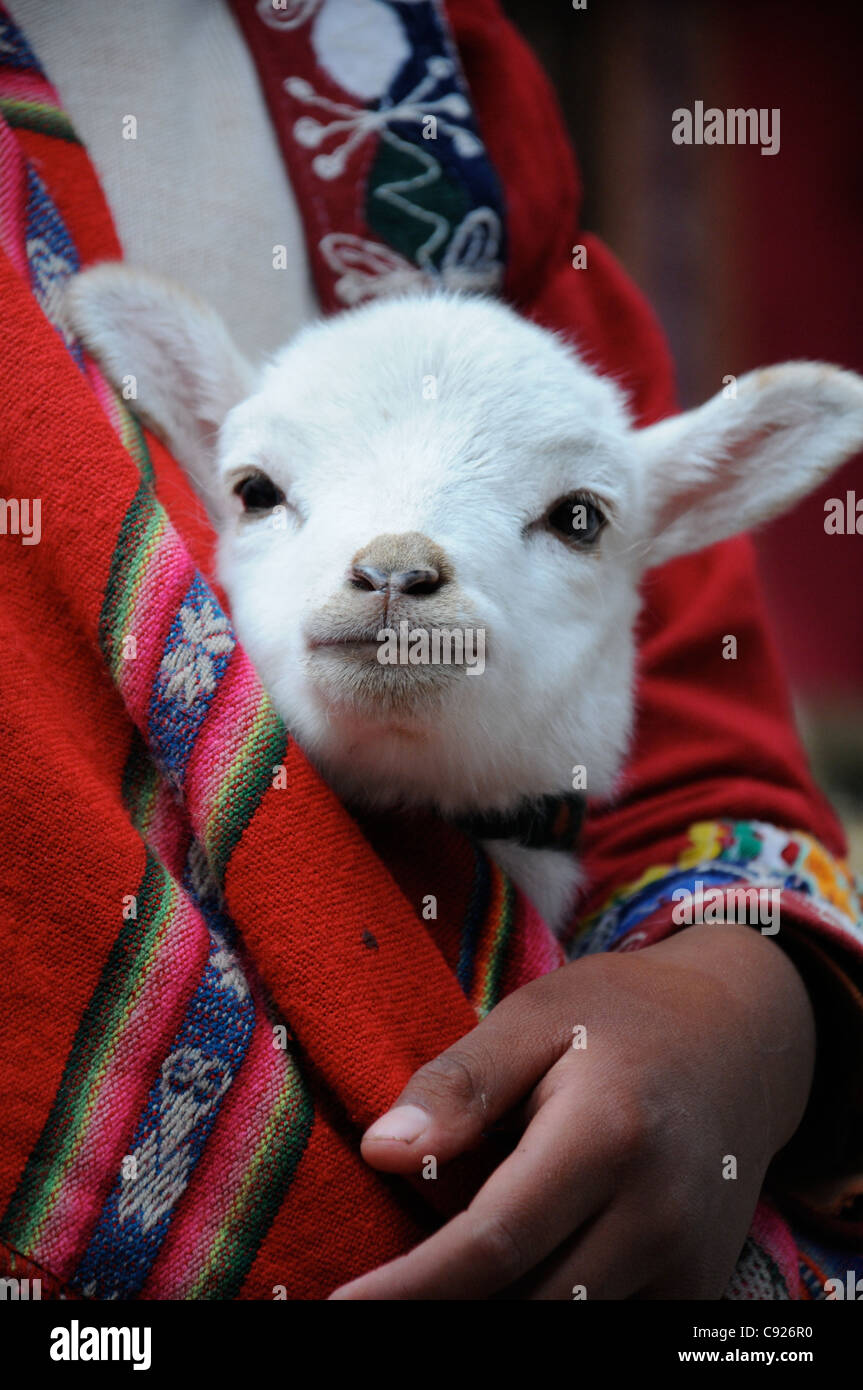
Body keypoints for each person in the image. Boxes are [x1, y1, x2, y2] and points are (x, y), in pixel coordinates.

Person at [0, 0, 860, 1300]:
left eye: (572, 514)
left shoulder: (424, 89)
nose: (399, 565)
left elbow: (695, 759)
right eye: (258, 488)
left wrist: (742, 1008)